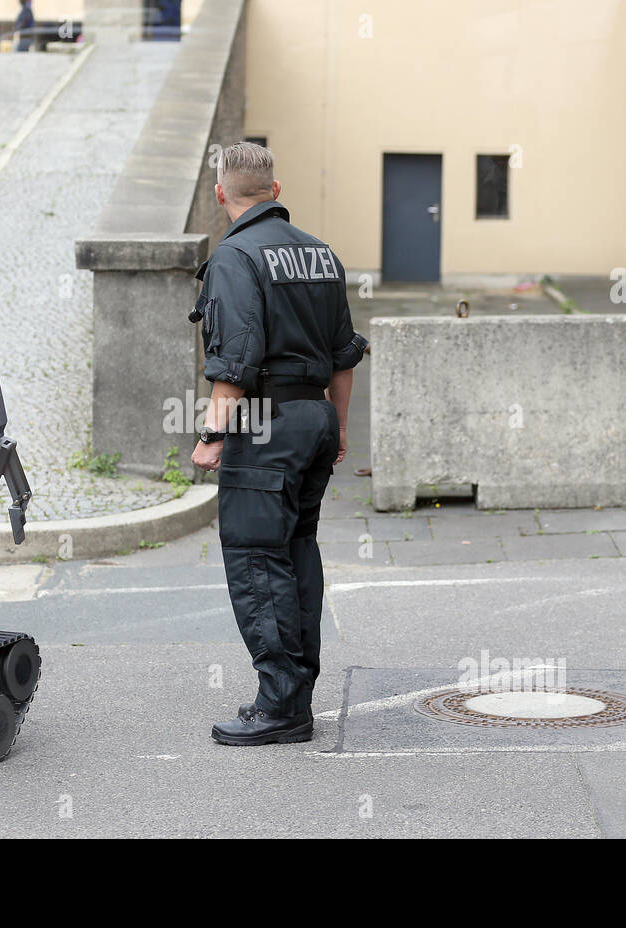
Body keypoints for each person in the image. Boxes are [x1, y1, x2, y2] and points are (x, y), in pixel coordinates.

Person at [191, 142, 368, 746]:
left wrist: (213, 434)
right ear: (276, 188)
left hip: (264, 423)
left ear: (222, 194)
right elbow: (345, 353)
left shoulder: (235, 256)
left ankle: (281, 707)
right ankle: (295, 697)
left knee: (256, 559)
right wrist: (338, 425)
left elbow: (234, 362)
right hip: (314, 416)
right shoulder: (321, 255)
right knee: (296, 553)